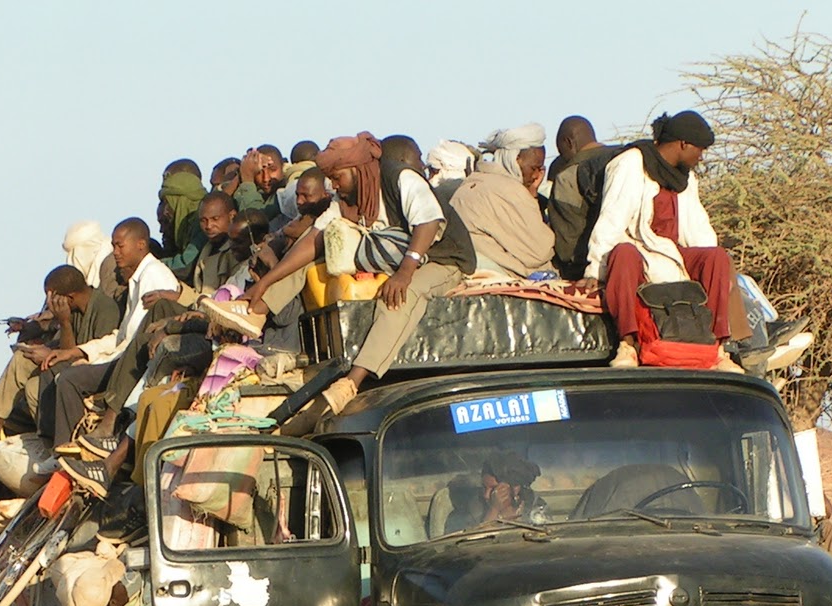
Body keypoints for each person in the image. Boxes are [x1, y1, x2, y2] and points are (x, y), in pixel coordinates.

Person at [204, 132, 476, 421]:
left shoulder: (400, 178)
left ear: (356, 169)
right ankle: (255, 312)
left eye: (337, 178)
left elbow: (428, 223)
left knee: (399, 298)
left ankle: (352, 382)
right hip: (389, 253)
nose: (334, 186)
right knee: (310, 263)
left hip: (439, 258)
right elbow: (313, 240)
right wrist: (265, 283)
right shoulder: (345, 198)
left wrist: (406, 271)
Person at [585, 110, 745, 369]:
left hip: (672, 255)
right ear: (683, 144)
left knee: (717, 257)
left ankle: (717, 349)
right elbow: (611, 218)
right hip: (638, 251)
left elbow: (698, 230)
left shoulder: (685, 178)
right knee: (623, 253)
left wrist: (714, 262)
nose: (701, 157)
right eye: (700, 150)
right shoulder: (631, 164)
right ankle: (627, 345)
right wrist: (594, 268)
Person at [35, 218, 180, 453]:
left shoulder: (154, 277)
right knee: (62, 368)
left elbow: (135, 341)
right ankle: (62, 446)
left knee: (69, 379)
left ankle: (69, 448)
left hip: (133, 364)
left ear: (141, 244)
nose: (115, 253)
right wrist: (79, 351)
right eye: (113, 246)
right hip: (121, 356)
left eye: (120, 246)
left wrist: (93, 359)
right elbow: (121, 335)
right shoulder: (137, 278)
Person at [0, 264, 121, 445]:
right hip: (66, 362)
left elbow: (90, 357)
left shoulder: (105, 309)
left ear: (70, 297)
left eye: (52, 297)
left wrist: (64, 322)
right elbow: (66, 349)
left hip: (86, 374)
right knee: (22, 359)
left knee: (34, 387)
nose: (49, 303)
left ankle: (48, 441)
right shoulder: (73, 309)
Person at [449, 124, 554, 278]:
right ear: (516, 159)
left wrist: (531, 194)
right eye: (534, 168)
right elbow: (540, 251)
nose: (536, 175)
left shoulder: (471, 183)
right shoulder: (508, 191)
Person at [548, 115, 613, 279]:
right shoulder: (627, 159)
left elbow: (567, 247)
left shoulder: (568, 177)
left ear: (568, 142)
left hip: (592, 273)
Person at [443, 451, 547, 532]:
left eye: (493, 489)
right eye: (484, 487)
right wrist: (493, 510)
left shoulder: (537, 507)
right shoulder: (467, 513)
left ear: (515, 488)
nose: (486, 495)